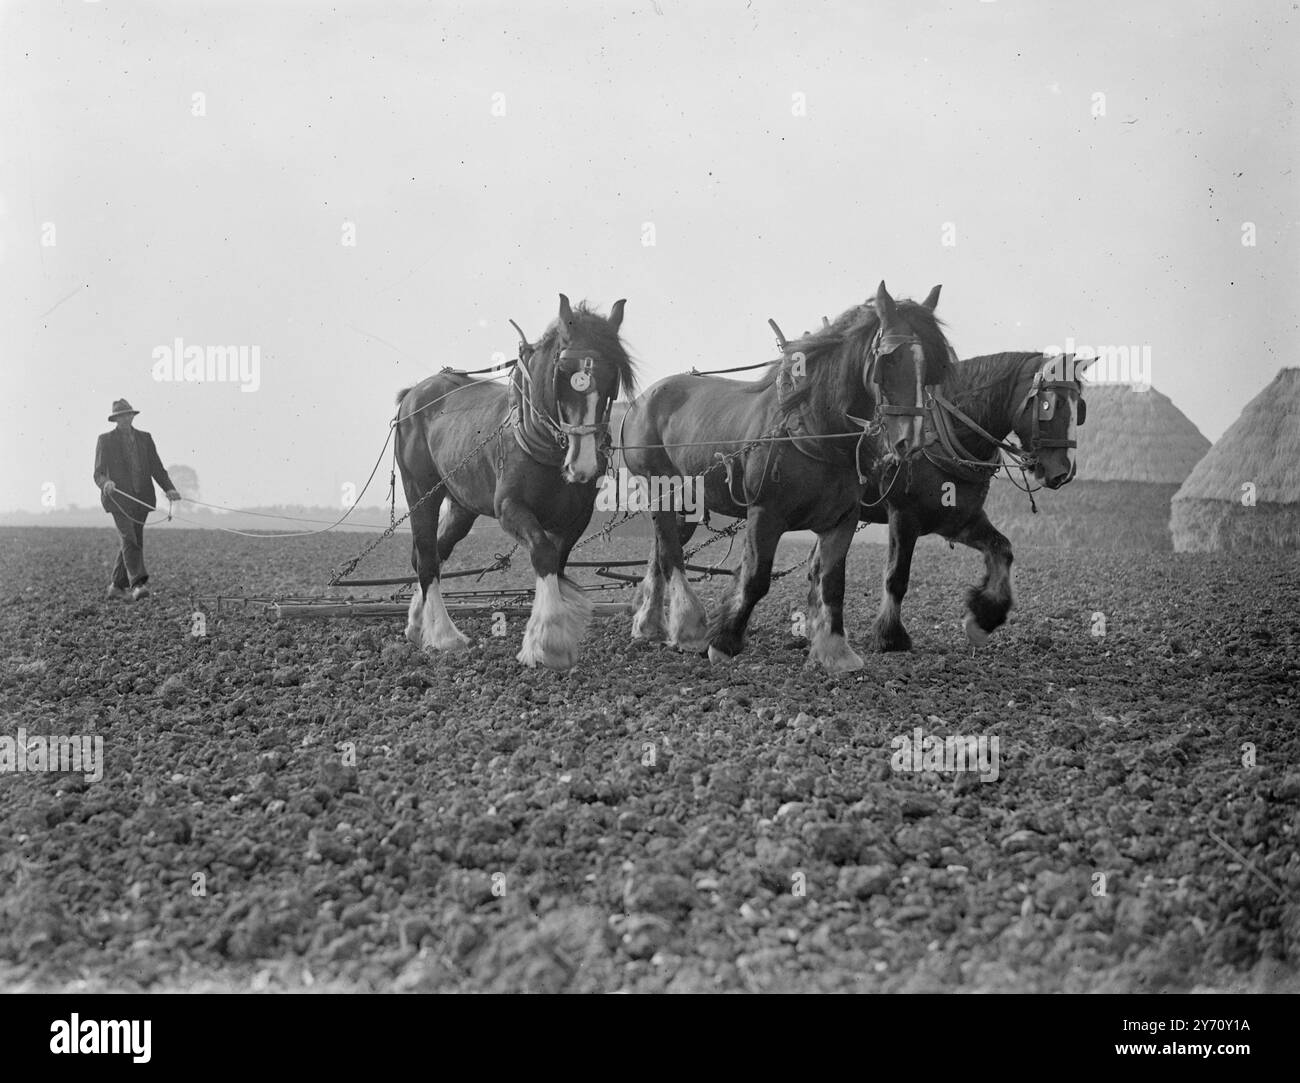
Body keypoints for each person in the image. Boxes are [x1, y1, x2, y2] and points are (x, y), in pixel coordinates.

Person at [93, 399, 182, 601]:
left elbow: (156, 468)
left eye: (127, 415)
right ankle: (138, 585)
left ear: (133, 416)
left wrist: (169, 488)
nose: (124, 419)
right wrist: (106, 483)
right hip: (118, 499)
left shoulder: (145, 438)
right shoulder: (105, 440)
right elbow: (98, 473)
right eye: (120, 416)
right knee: (129, 539)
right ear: (115, 419)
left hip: (141, 498)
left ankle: (116, 586)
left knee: (133, 540)